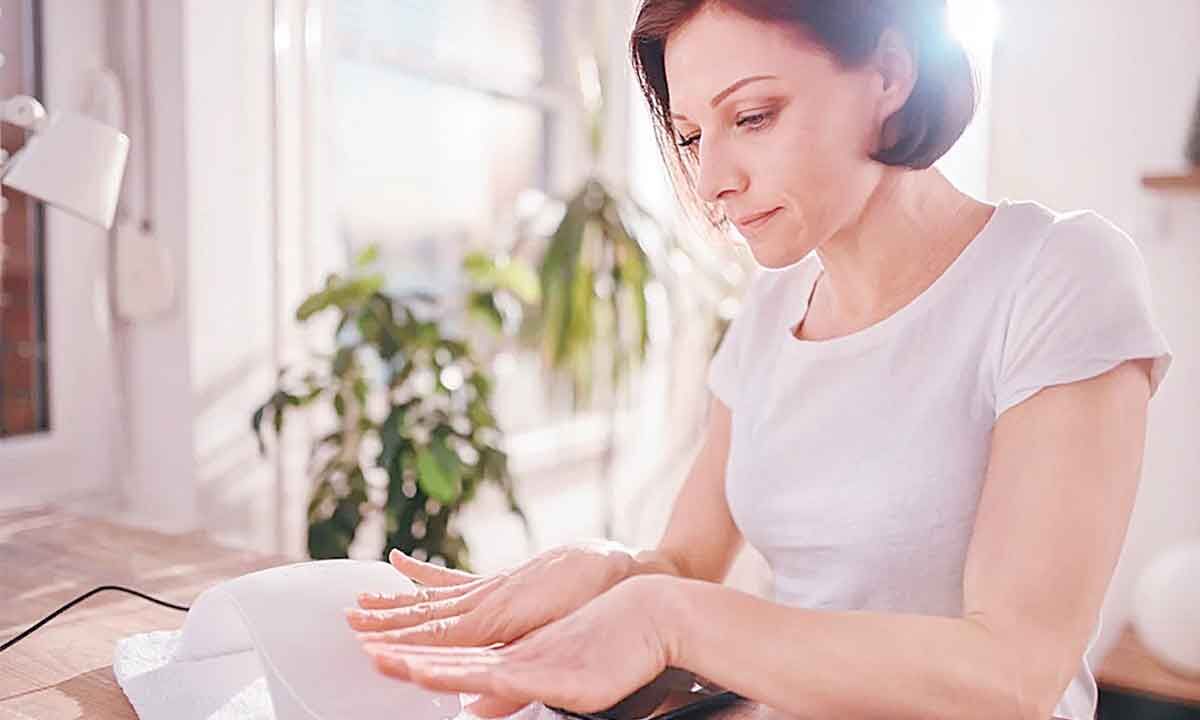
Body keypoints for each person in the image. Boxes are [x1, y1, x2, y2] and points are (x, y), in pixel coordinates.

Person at [344, 2, 1173, 718]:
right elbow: (685, 562)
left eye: (752, 117)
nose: (711, 180)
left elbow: (1013, 674)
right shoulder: (772, 308)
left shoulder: (1056, 273)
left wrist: (669, 617)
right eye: (691, 135)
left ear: (890, 73)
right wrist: (606, 571)